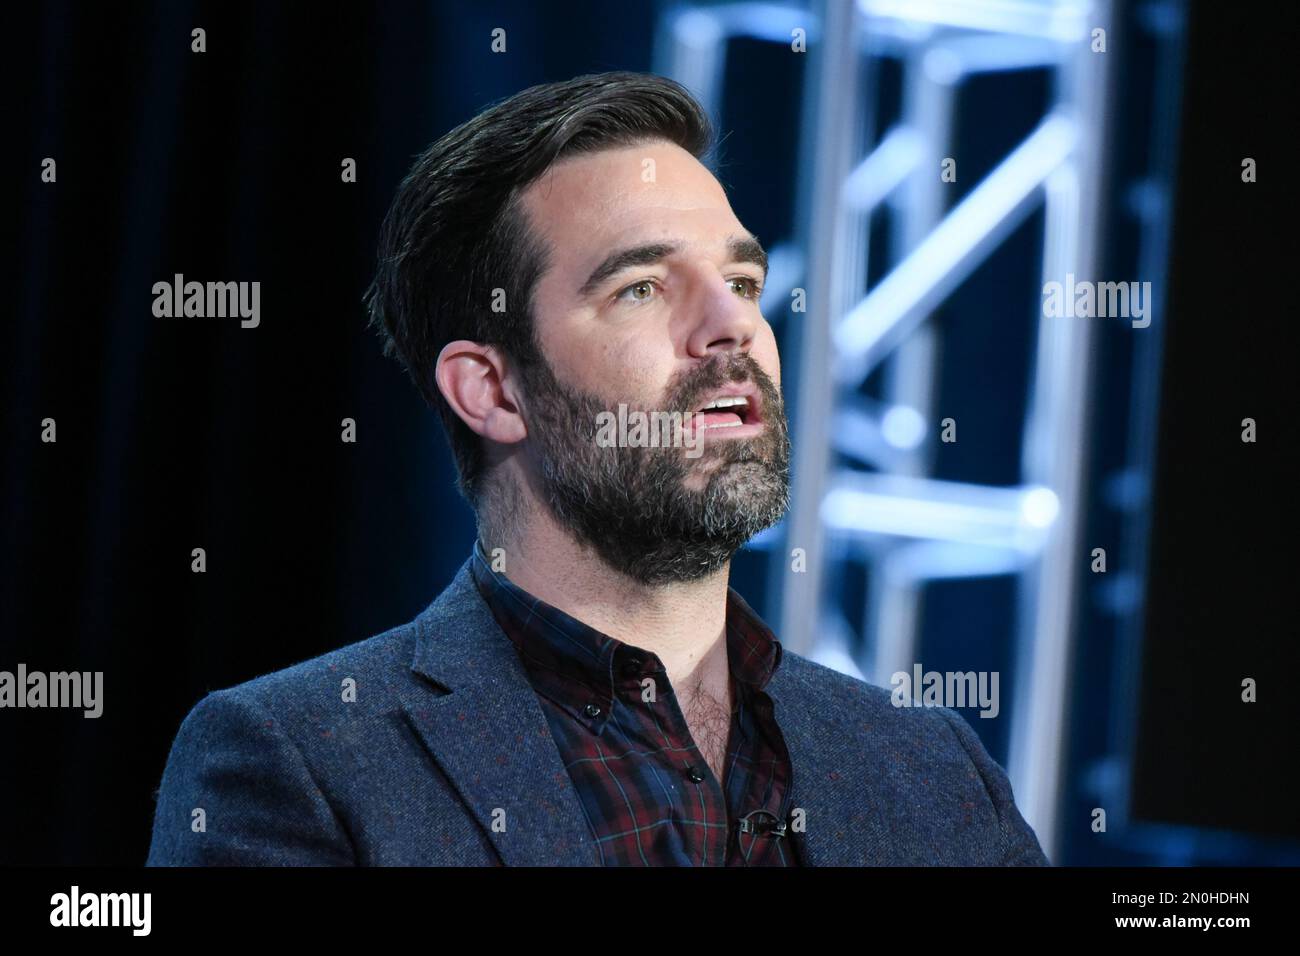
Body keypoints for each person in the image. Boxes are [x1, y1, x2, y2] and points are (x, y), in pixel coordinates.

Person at [146, 71, 1048, 866]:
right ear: (493, 392)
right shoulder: (301, 761)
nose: (731, 327)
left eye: (741, 283)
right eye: (642, 289)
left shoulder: (930, 774)